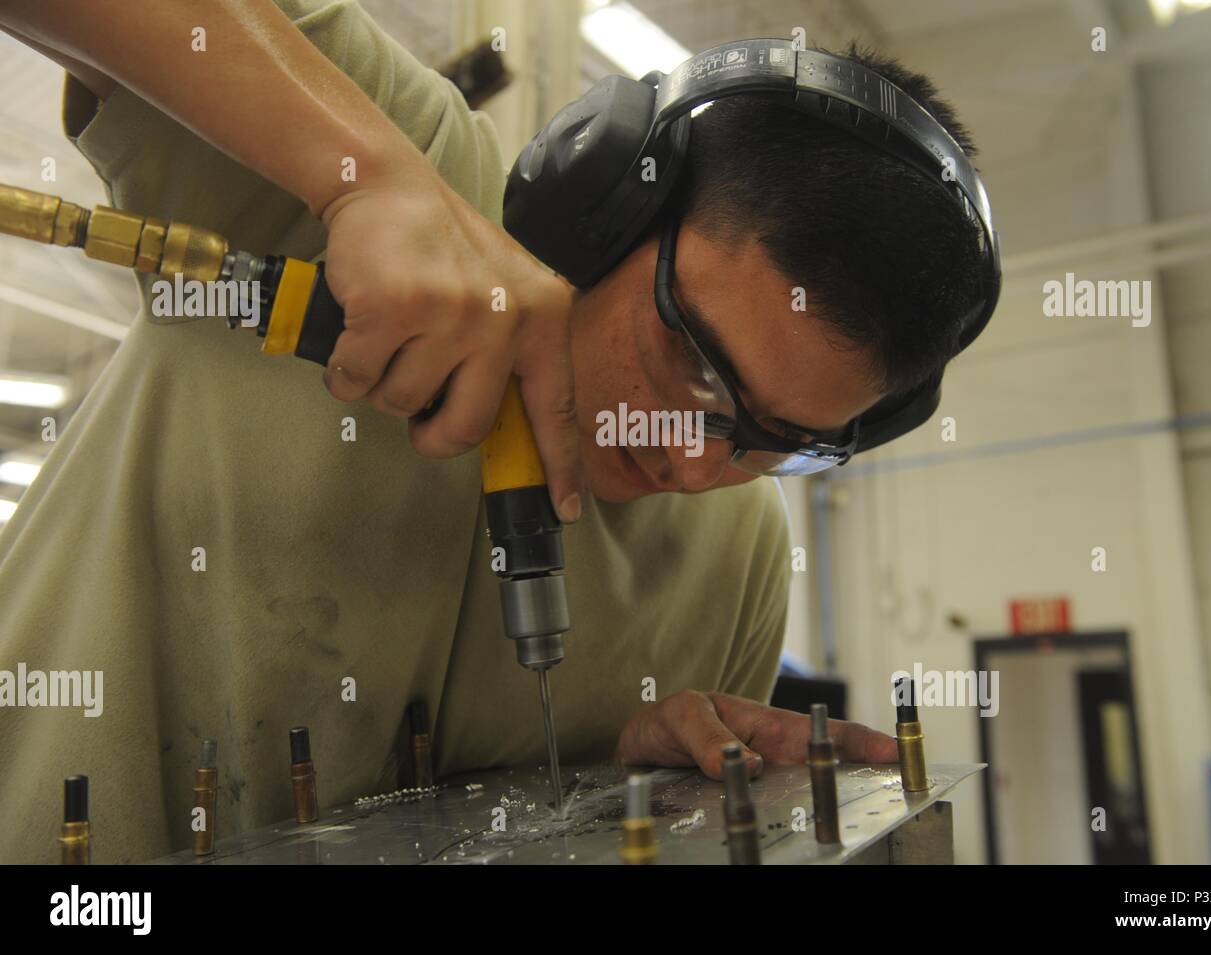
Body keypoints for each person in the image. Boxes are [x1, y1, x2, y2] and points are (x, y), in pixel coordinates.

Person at [0, 0, 984, 863]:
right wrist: (359, 180)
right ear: (605, 201)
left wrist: (630, 784)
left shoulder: (739, 562)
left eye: (772, 437)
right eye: (691, 358)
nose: (690, 459)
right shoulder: (405, 162)